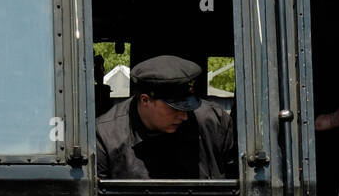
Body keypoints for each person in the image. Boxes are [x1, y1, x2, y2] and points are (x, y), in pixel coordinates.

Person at [96, 55, 237, 180]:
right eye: (175, 108)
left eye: (188, 107)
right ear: (145, 100)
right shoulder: (106, 137)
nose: (185, 116)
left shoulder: (215, 122)